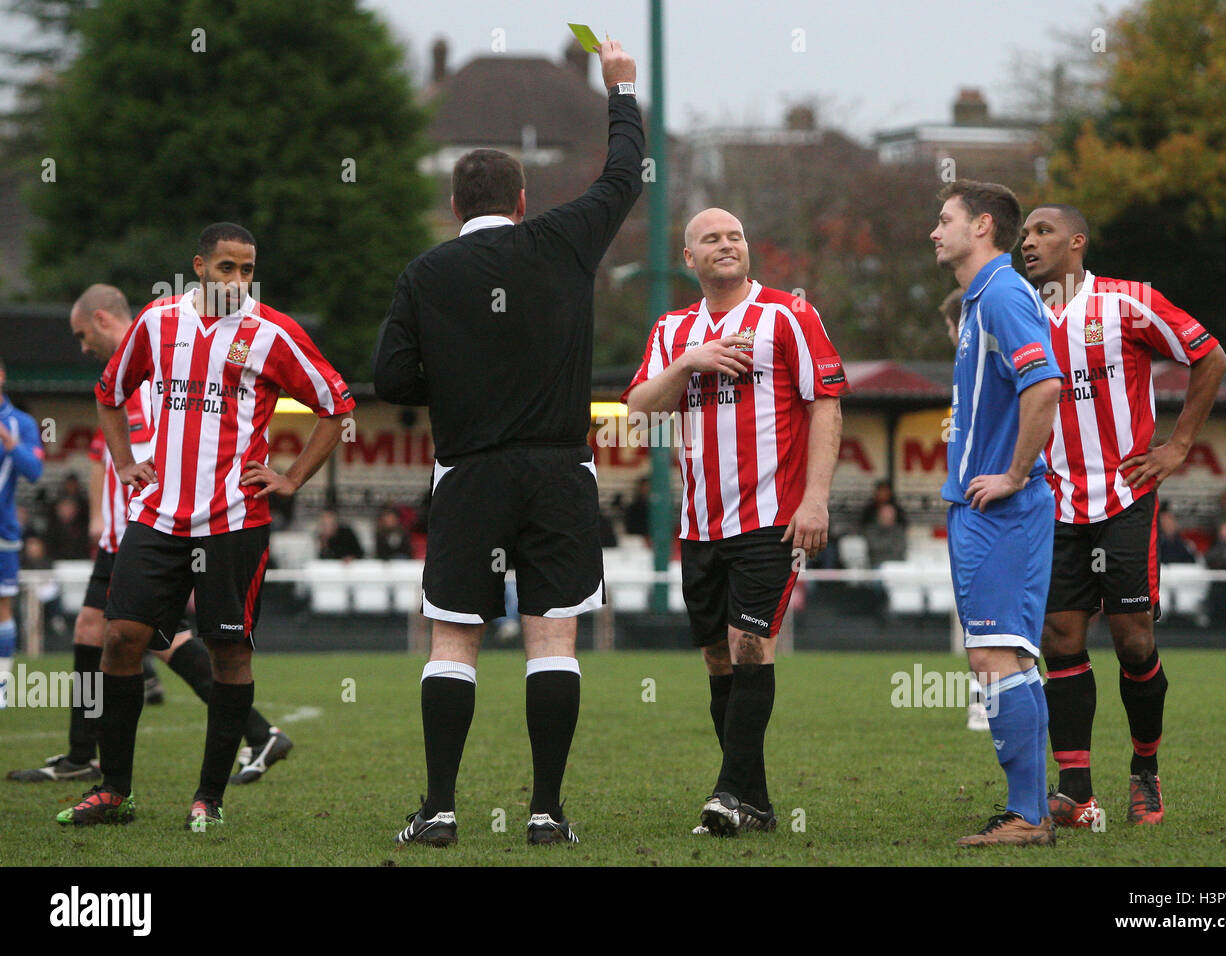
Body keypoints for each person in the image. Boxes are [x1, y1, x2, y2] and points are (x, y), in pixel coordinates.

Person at [373, 38, 643, 848]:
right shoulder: (563, 241)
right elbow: (622, 176)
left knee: (454, 637)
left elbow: (391, 380)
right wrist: (620, 90)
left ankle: (441, 810)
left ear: (456, 207)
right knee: (551, 637)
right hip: (560, 473)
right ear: (523, 200)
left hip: (471, 475)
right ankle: (546, 812)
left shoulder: (424, 274)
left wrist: (453, 383)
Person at [55, 225, 354, 830]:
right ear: (198, 266)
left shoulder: (273, 332)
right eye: (226, 268)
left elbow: (336, 404)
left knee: (228, 653)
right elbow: (110, 393)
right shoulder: (156, 323)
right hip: (157, 516)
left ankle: (208, 799)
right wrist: (122, 461)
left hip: (234, 522)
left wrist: (292, 477)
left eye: (247, 269)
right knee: (120, 638)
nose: (238, 281)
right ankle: (114, 791)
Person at [8, 284, 290, 787]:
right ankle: (84, 754)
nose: (82, 346)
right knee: (97, 632)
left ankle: (252, 733)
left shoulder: (161, 365)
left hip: (153, 532)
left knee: (148, 638)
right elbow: (107, 453)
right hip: (129, 533)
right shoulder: (132, 373)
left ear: (102, 319)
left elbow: (178, 455)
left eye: (82, 335)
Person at [623, 205, 845, 836]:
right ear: (688, 259)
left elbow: (826, 404)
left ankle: (726, 794)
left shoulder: (789, 315)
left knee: (752, 643)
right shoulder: (672, 329)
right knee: (719, 660)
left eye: (736, 236)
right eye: (710, 239)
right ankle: (756, 802)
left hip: (772, 519)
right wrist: (691, 362)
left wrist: (816, 498)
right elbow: (640, 409)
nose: (727, 245)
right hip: (698, 523)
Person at [1020, 203, 1226, 828]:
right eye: (1024, 233)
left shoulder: (1127, 302)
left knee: (1133, 639)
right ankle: (1076, 792)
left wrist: (1179, 445)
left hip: (1124, 495)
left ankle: (1145, 772)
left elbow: (1209, 355)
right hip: (1053, 501)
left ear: (1077, 242)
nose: (1028, 242)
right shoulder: (1017, 314)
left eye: (1043, 231)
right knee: (1060, 637)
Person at [931, 180, 1063, 846]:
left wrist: (1013, 473)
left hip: (1003, 510)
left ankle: (1027, 815)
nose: (935, 230)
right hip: (985, 510)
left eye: (945, 219)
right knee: (1009, 656)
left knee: (991, 658)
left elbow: (1045, 384)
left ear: (981, 226)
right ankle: (1032, 809)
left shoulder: (1004, 293)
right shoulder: (982, 299)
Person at [0, 357, 45, 707]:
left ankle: (1, 686)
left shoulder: (22, 424)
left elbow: (34, 470)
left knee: (3, 607)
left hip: (3, 532)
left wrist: (9, 442)